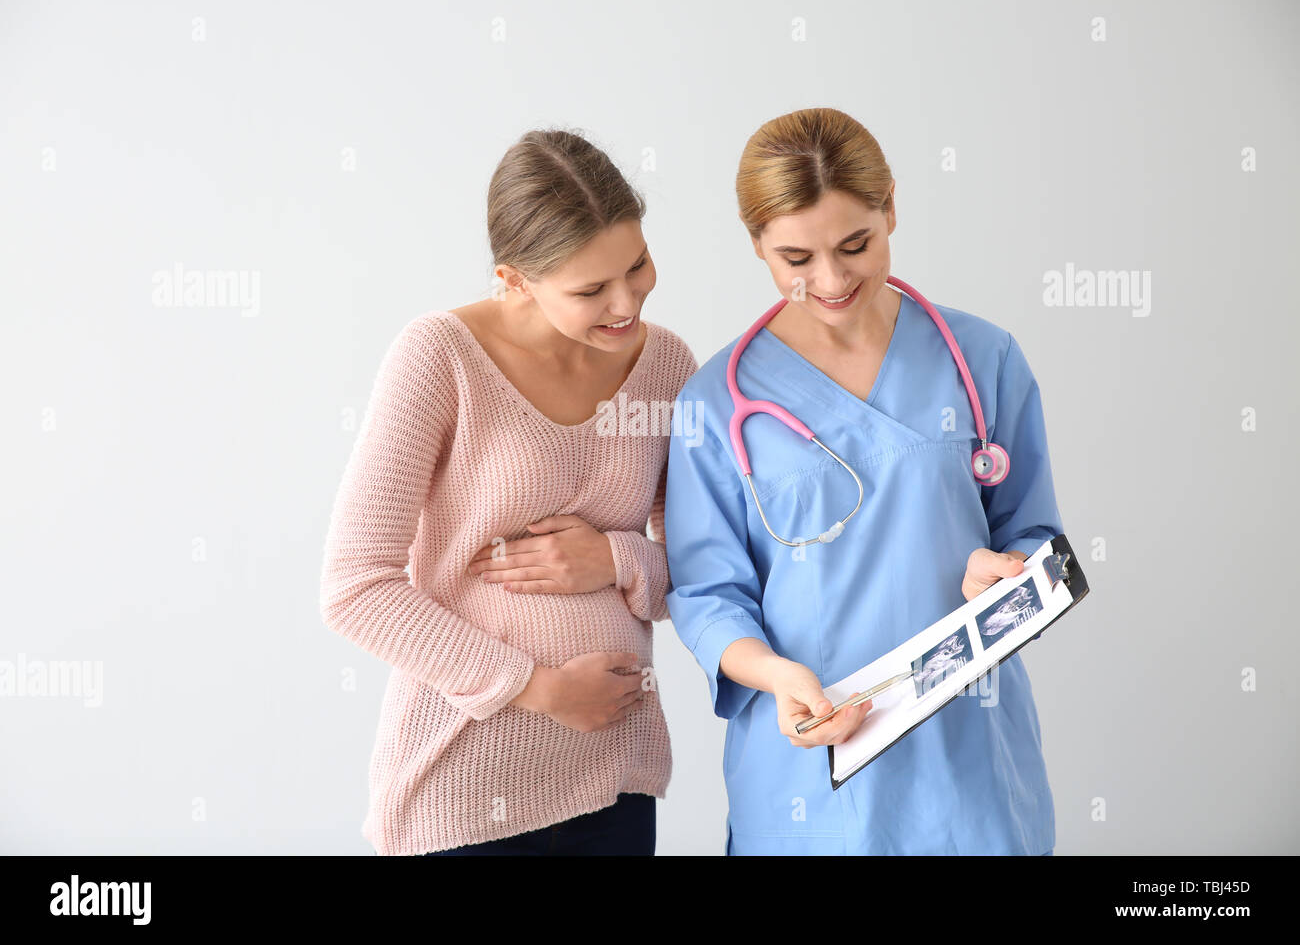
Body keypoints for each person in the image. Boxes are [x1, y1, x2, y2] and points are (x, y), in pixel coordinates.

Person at [664, 107, 1063, 855]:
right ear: (756, 244)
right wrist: (775, 676)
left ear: (891, 210)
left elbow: (1033, 535)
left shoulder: (982, 358)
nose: (832, 279)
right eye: (796, 258)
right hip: (808, 777)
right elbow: (706, 594)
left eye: (856, 244)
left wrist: (1002, 571)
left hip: (967, 764)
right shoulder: (717, 402)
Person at [319, 128, 698, 856]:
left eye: (638, 265)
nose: (627, 303)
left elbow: (699, 573)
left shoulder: (666, 366)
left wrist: (616, 560)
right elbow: (354, 586)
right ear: (515, 280)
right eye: (591, 289)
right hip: (463, 791)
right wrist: (538, 687)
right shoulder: (440, 357)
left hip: (613, 781)